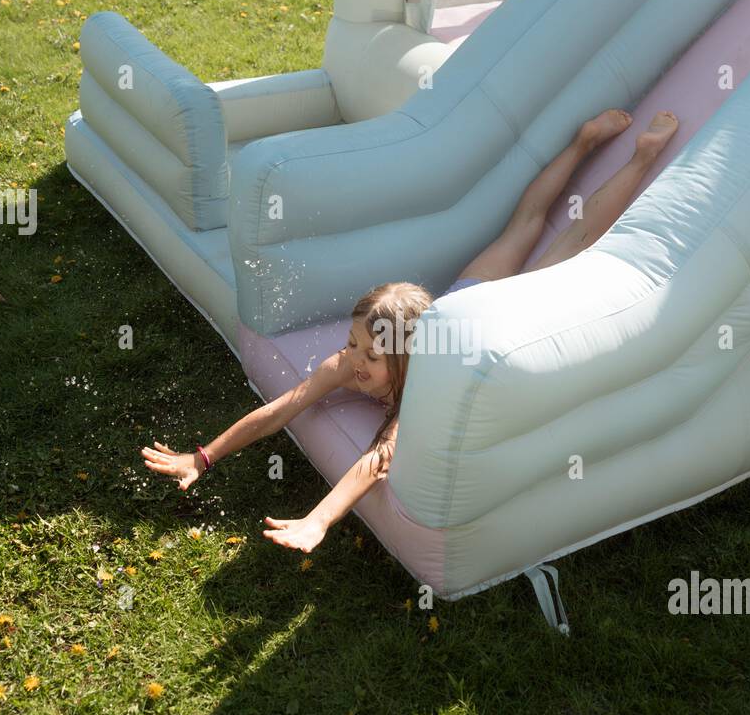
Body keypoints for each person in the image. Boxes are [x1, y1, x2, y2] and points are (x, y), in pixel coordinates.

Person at [141, 108, 680, 552]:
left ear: (402, 358)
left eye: (369, 357)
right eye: (353, 343)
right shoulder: (353, 362)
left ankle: (643, 155)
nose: (353, 361)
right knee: (525, 222)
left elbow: (377, 462)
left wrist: (318, 520)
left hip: (499, 316)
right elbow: (282, 409)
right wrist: (204, 456)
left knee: (573, 240)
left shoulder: (419, 388)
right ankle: (584, 141)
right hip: (463, 300)